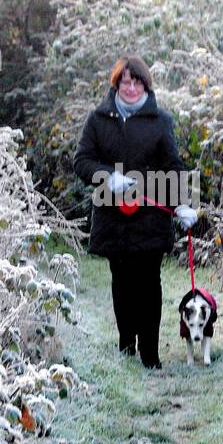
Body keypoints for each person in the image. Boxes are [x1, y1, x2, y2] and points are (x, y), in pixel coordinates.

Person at [73, 55, 198, 368]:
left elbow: (173, 166)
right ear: (117, 84)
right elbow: (82, 161)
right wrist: (107, 176)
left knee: (149, 283)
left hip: (151, 215)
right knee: (122, 282)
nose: (130, 87)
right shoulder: (98, 120)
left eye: (136, 82)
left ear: (145, 84)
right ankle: (126, 343)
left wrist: (181, 203)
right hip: (112, 215)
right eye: (125, 82)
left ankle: (150, 354)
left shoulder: (161, 121)